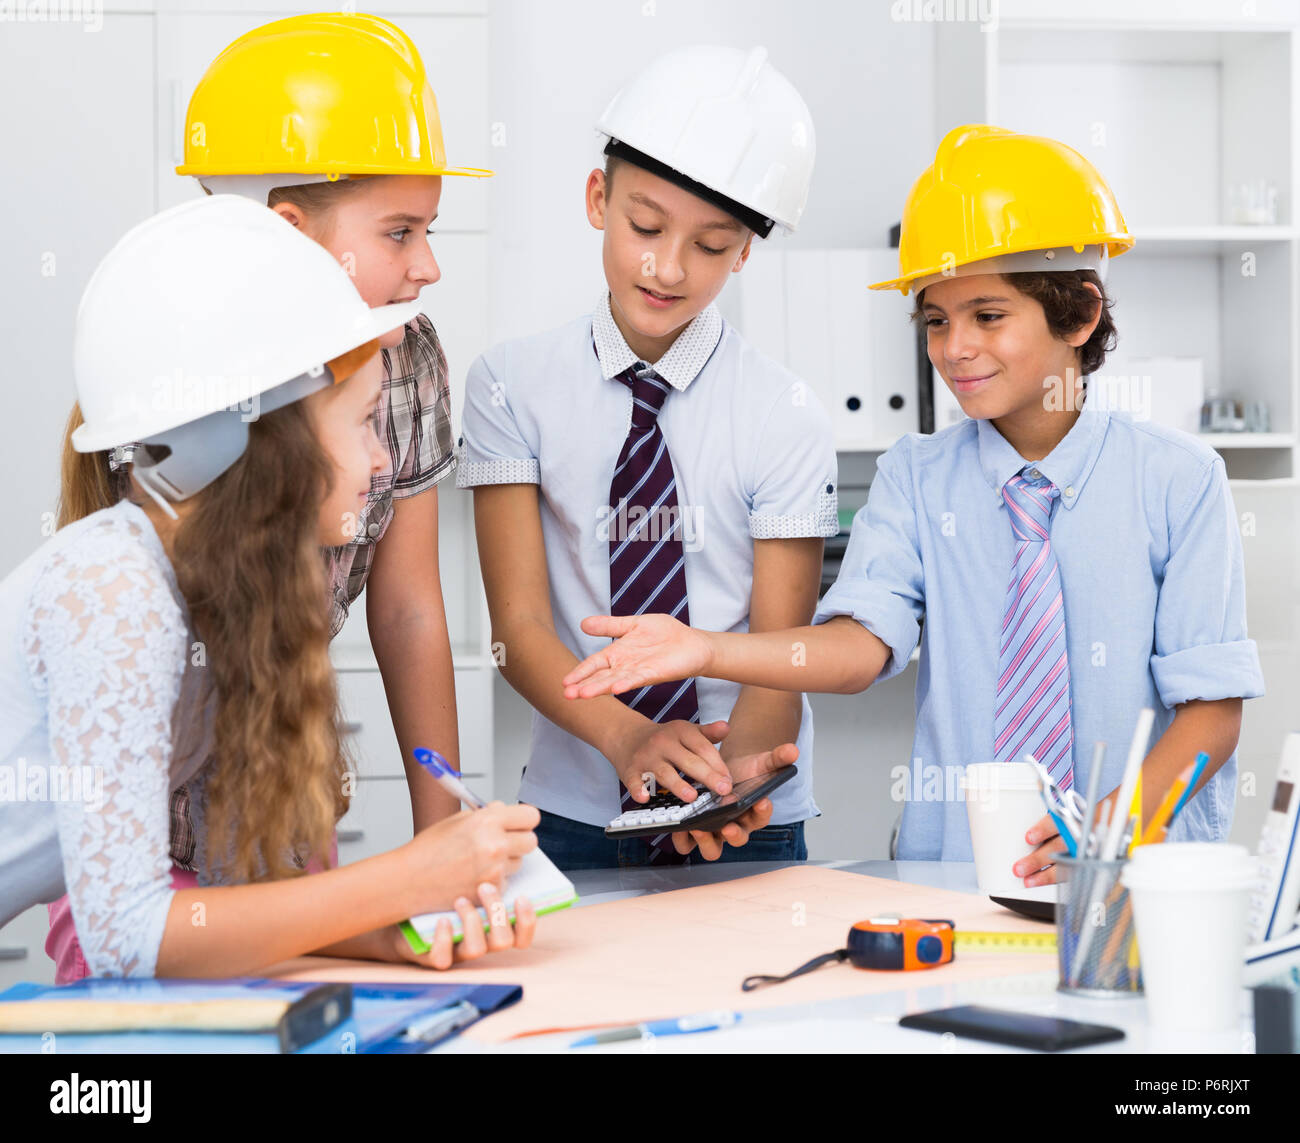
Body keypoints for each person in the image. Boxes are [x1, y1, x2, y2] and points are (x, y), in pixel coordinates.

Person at [561, 125, 1266, 887]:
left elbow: (1211, 713)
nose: (953, 347)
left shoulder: (1180, 478)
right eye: (936, 320)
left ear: (1080, 315)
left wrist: (1106, 831)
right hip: (959, 874)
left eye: (987, 316)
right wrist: (707, 648)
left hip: (1138, 876)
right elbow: (859, 650)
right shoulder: (918, 478)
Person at [3, 195, 539, 978]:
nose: (384, 462)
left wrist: (392, 931)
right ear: (271, 444)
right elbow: (126, 934)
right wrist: (409, 875)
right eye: (362, 425)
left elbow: (219, 897)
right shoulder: (114, 590)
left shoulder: (224, 594)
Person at [457, 46, 836, 869]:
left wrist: (728, 789)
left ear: (743, 251)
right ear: (599, 199)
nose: (667, 267)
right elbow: (517, 629)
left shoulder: (785, 414)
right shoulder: (509, 388)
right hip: (575, 811)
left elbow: (783, 649)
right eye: (645, 226)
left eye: (710, 245)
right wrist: (629, 740)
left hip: (748, 808)